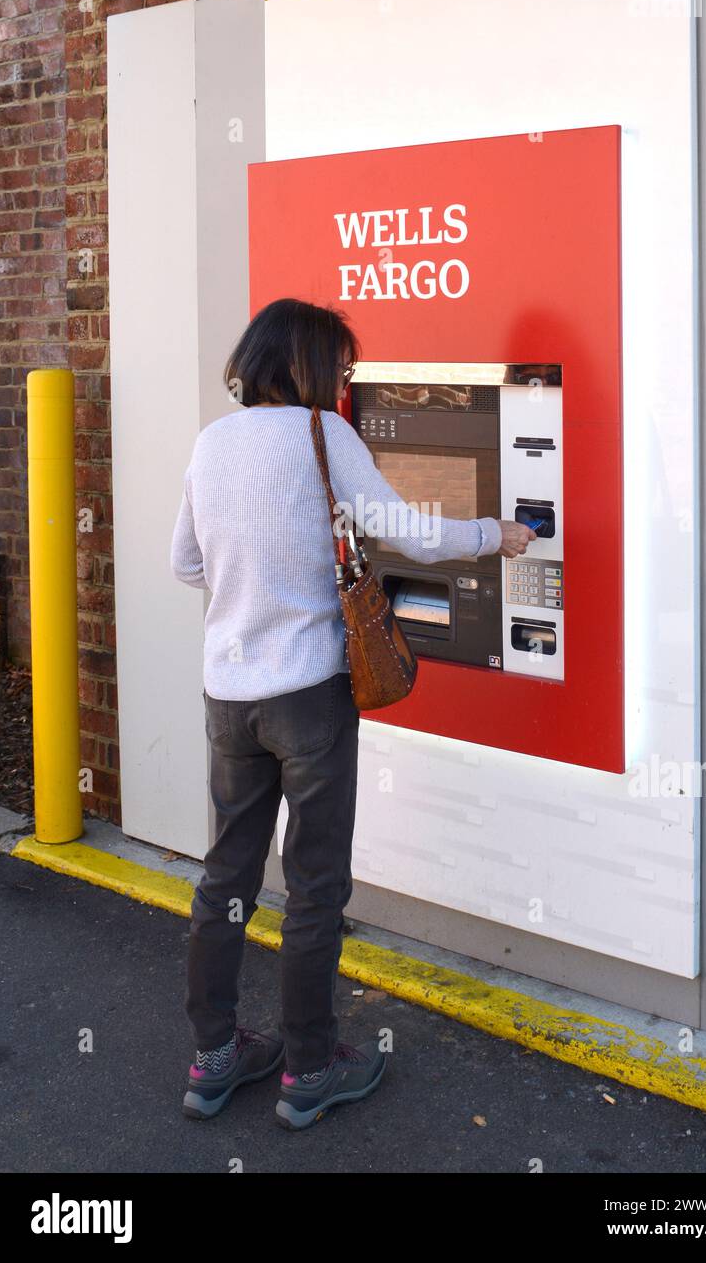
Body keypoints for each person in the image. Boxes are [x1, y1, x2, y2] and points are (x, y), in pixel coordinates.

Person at [169, 296, 536, 1131]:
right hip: (309, 699)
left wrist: (251, 591)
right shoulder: (318, 435)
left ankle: (215, 1059)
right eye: (341, 364)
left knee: (225, 877)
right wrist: (495, 535)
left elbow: (185, 564)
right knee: (313, 885)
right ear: (305, 363)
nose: (346, 380)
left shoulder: (211, 441)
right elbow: (403, 530)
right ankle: (307, 1069)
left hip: (230, 697)